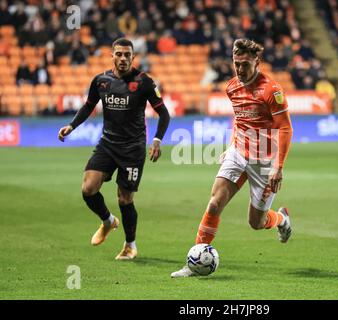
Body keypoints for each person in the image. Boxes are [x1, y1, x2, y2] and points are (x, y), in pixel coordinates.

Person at [171, 38, 293, 278]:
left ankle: (281, 219)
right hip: (239, 153)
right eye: (236, 63)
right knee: (215, 202)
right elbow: (239, 117)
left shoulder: (272, 90)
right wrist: (231, 146)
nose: (239, 69)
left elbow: (285, 128)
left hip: (264, 162)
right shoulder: (231, 87)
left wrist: (278, 168)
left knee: (256, 222)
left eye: (245, 64)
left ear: (256, 61)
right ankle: (195, 261)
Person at [58, 38, 170, 260]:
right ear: (112, 55)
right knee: (88, 188)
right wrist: (71, 125)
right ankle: (108, 221)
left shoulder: (144, 82)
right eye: (118, 54)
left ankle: (130, 245)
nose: (123, 59)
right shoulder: (101, 81)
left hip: (133, 148)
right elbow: (89, 105)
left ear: (133, 57)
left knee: (124, 198)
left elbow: (164, 113)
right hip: (108, 144)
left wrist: (157, 139)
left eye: (127, 55)